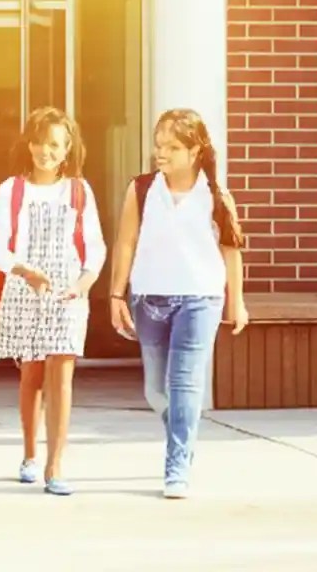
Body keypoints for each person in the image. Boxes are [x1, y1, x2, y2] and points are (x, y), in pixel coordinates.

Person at [107, 108, 247, 499]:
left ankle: (177, 465)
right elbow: (126, 243)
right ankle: (182, 429)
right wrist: (117, 293)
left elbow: (231, 251)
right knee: (156, 391)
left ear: (195, 150)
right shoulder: (140, 189)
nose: (161, 154)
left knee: (185, 384)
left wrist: (237, 303)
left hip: (200, 299)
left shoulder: (216, 194)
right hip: (149, 298)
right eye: (158, 145)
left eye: (171, 147)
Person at [0, 106, 105, 497]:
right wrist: (26, 273)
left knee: (62, 374)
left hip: (68, 289)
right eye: (40, 142)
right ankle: (29, 454)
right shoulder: (12, 189)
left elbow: (96, 245)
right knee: (32, 376)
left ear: (68, 147)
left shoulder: (78, 190)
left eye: (55, 144)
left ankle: (55, 465)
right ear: (29, 144)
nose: (46, 151)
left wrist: (86, 281)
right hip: (25, 287)